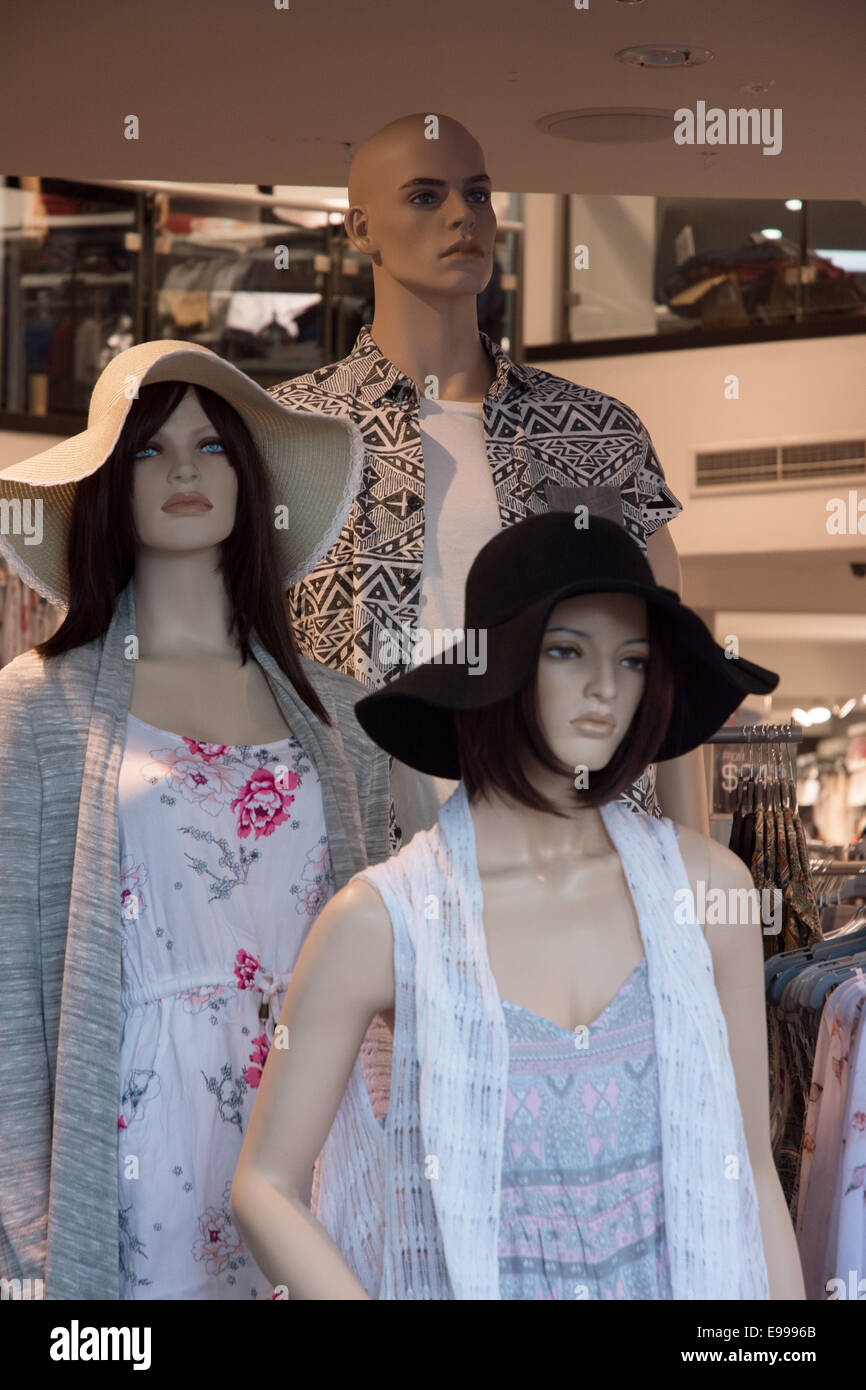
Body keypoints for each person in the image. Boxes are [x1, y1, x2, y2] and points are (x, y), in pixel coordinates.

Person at [230, 511, 806, 1300]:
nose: (607, 687)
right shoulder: (384, 920)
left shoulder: (709, 896)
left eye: (633, 661)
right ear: (496, 672)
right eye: (567, 652)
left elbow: (750, 1178)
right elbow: (263, 1185)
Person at [0, 339, 389, 1300]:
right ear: (104, 486)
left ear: (251, 482)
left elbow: (387, 963)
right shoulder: (37, 709)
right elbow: (10, 983)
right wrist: (30, 1234)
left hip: (321, 1122)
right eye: (148, 448)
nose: (183, 468)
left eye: (212, 446)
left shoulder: (343, 720)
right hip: (138, 1132)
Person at [269, 112, 708, 842]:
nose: (461, 218)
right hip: (372, 855)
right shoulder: (290, 434)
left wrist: (691, 884)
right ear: (359, 229)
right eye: (424, 197)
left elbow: (668, 663)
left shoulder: (598, 431)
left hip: (586, 856)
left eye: (477, 195)